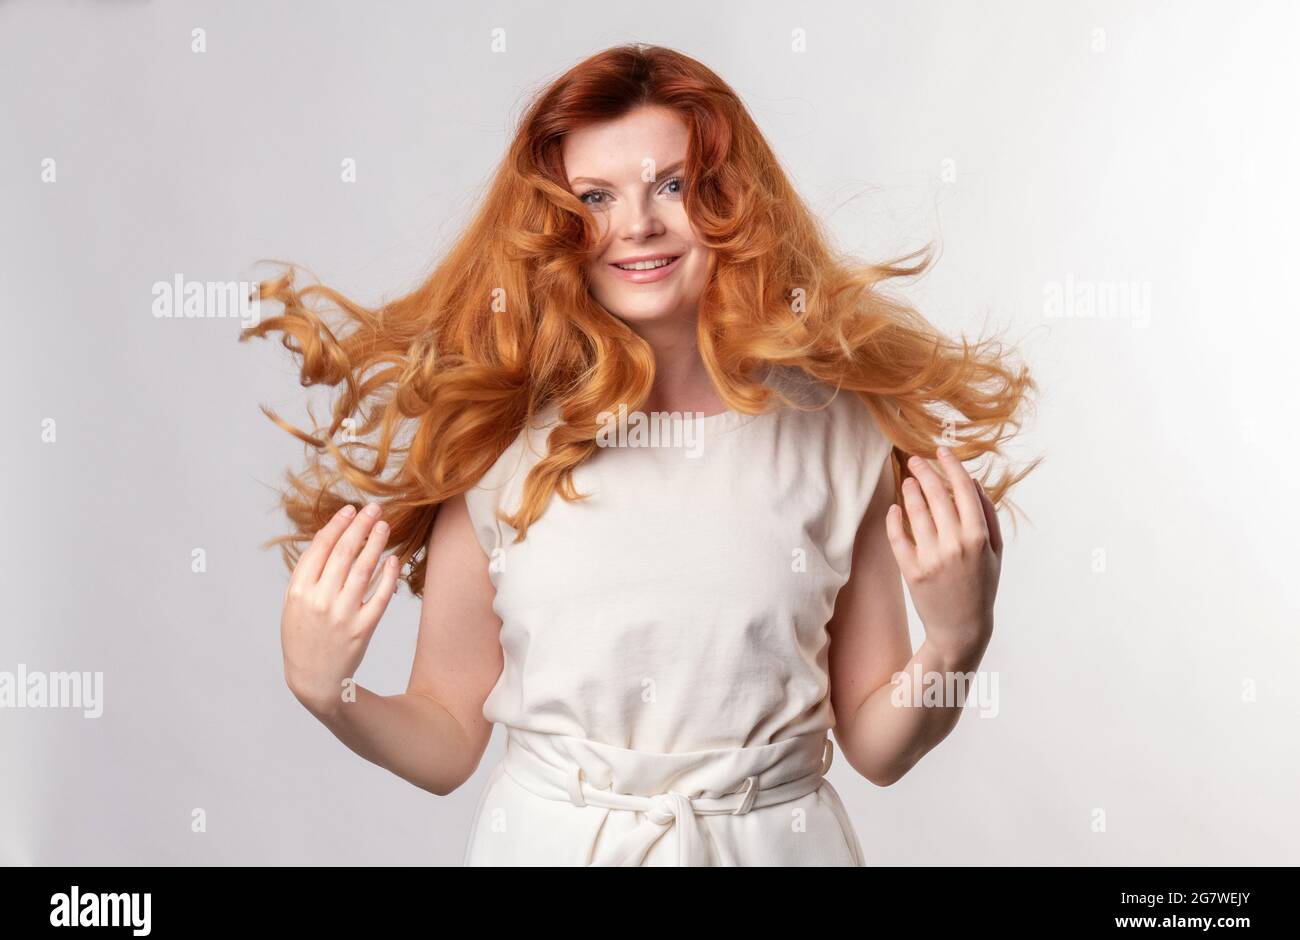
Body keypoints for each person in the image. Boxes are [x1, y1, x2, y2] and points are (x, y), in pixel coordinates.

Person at [241, 43, 1038, 866]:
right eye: (595, 197)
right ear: (558, 224)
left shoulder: (840, 432)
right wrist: (326, 692)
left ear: (732, 200)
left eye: (673, 185)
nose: (639, 225)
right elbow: (446, 739)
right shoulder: (501, 439)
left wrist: (956, 640)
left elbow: (877, 745)